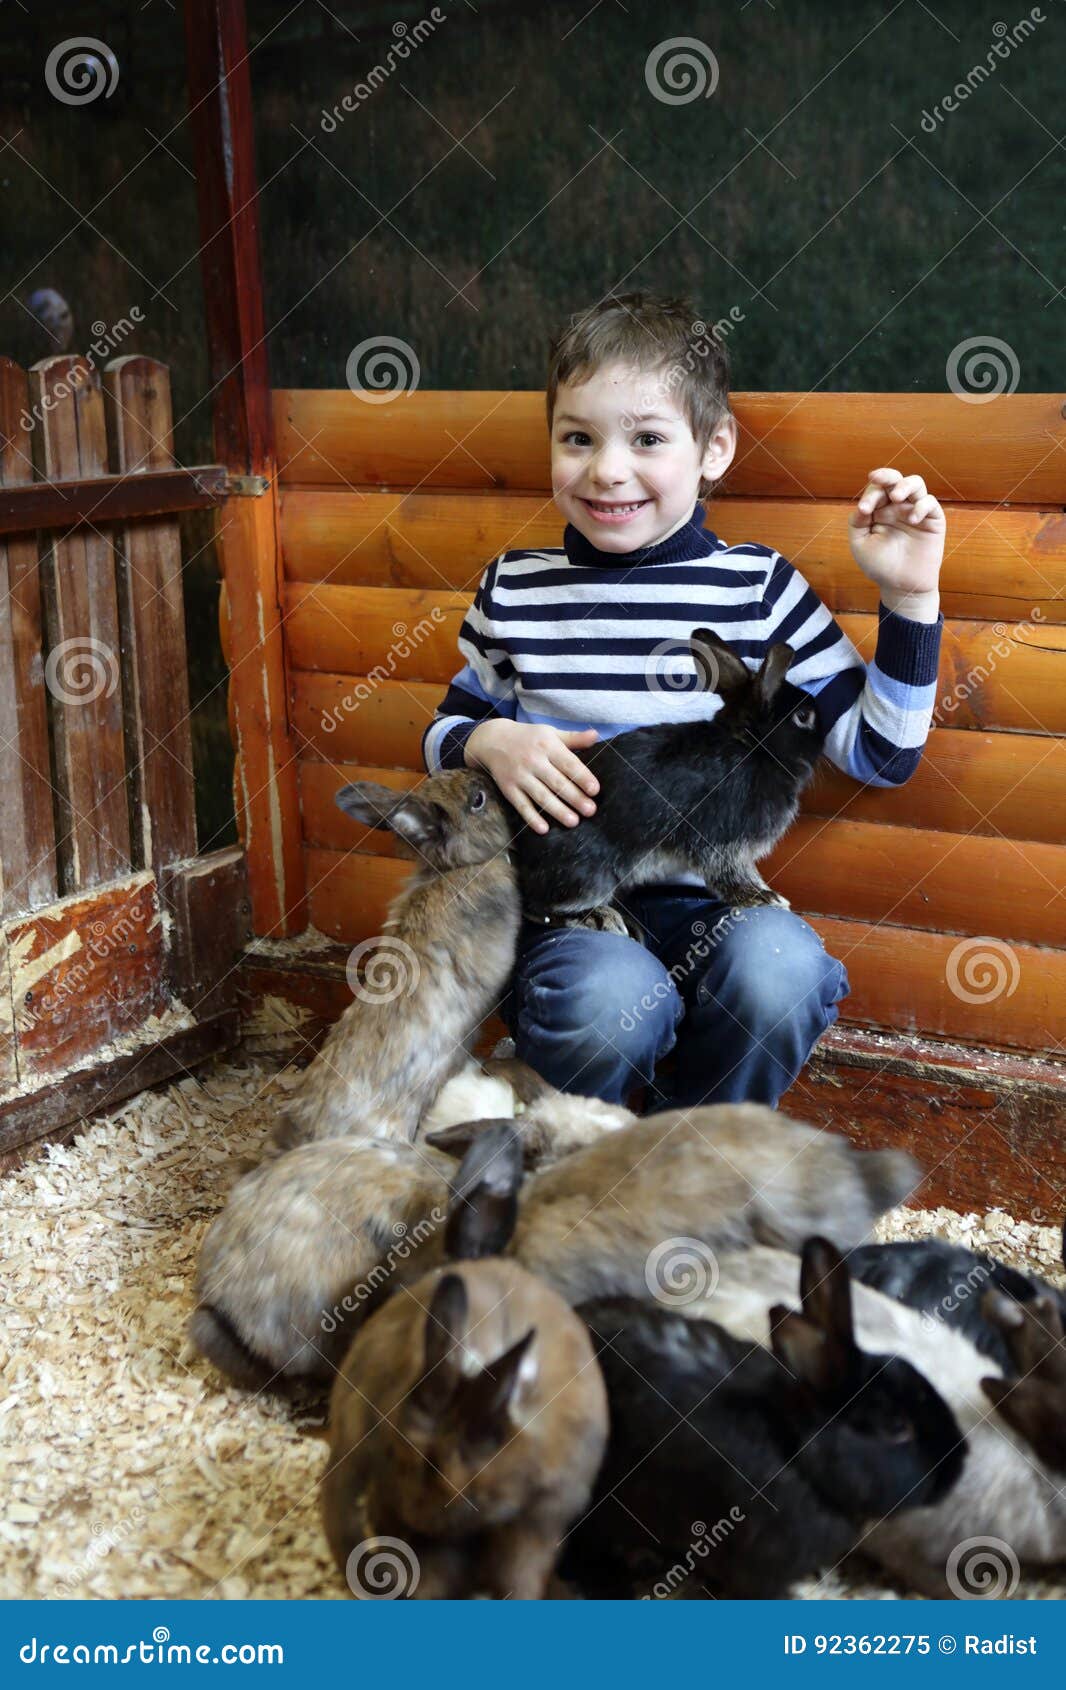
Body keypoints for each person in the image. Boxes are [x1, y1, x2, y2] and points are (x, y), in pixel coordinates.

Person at [423, 293, 945, 1110]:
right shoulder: (514, 589)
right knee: (603, 1006)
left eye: (648, 439)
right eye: (578, 439)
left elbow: (884, 755)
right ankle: (582, 1167)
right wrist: (490, 740)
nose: (607, 469)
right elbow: (444, 731)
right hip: (574, 899)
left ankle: (694, 1157)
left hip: (710, 895)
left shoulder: (760, 588)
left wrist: (911, 598)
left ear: (715, 449)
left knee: (783, 971)